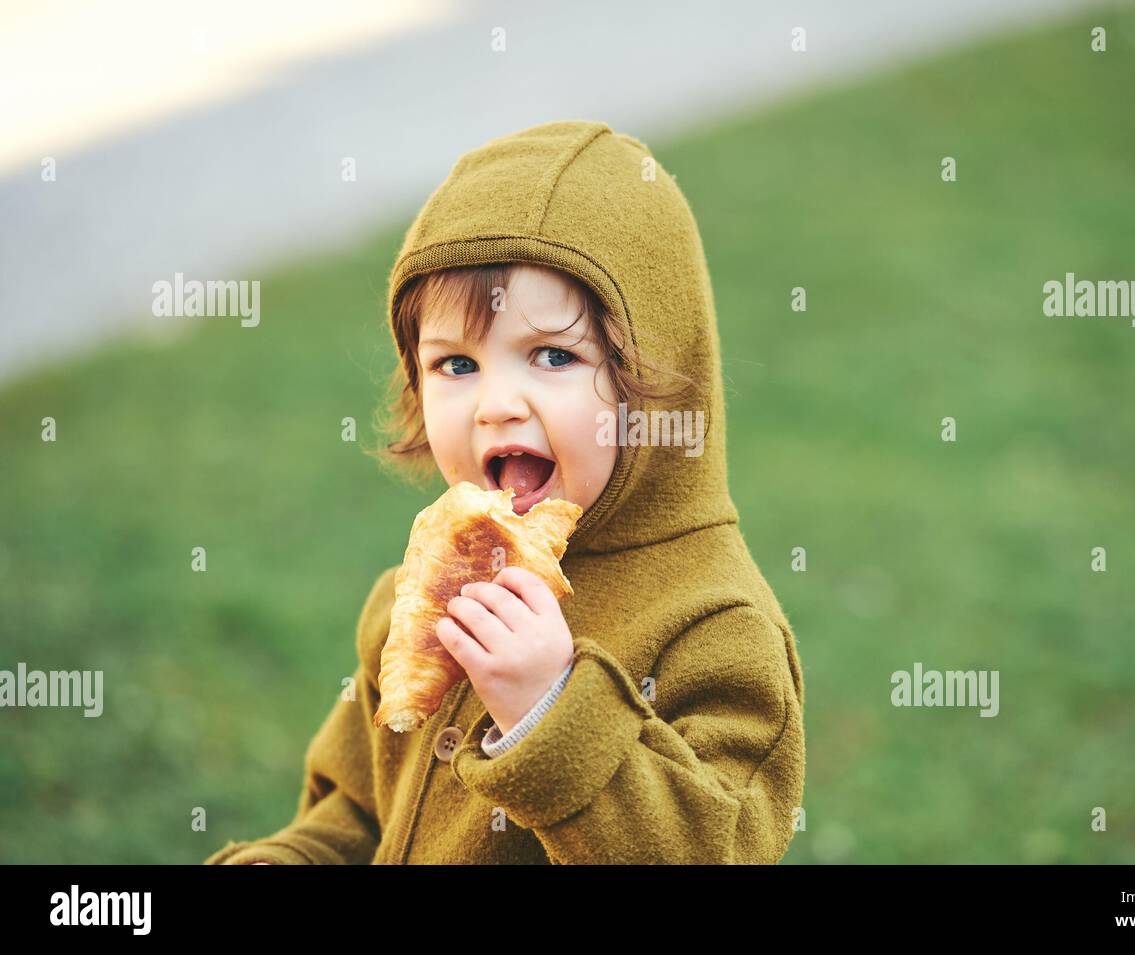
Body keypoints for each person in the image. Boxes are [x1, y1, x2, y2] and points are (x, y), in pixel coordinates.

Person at [203, 119, 805, 864]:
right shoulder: (412, 609)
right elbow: (357, 814)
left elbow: (713, 848)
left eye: (552, 355)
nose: (495, 404)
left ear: (653, 379)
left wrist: (548, 712)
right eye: (456, 364)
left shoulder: (714, 628)